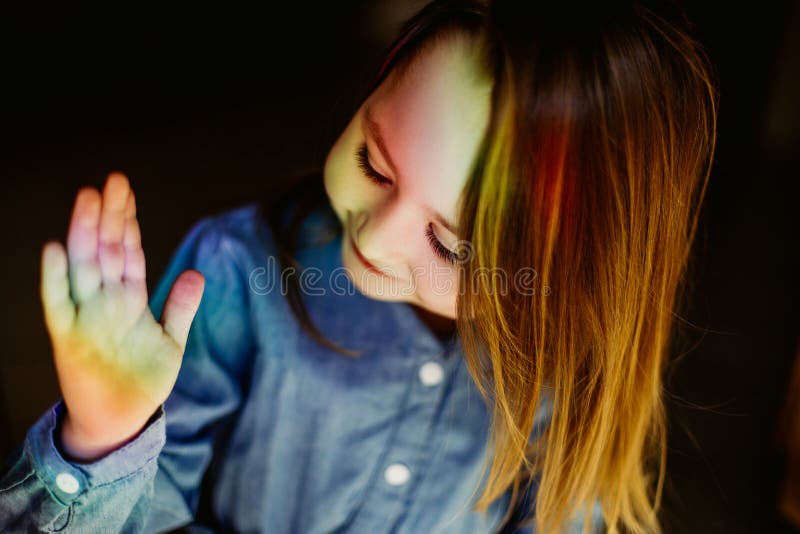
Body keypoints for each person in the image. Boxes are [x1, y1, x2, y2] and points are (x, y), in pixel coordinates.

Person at [0, 0, 718, 532]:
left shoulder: (570, 367)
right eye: (374, 163)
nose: (375, 240)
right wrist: (102, 436)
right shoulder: (236, 274)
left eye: (453, 245)